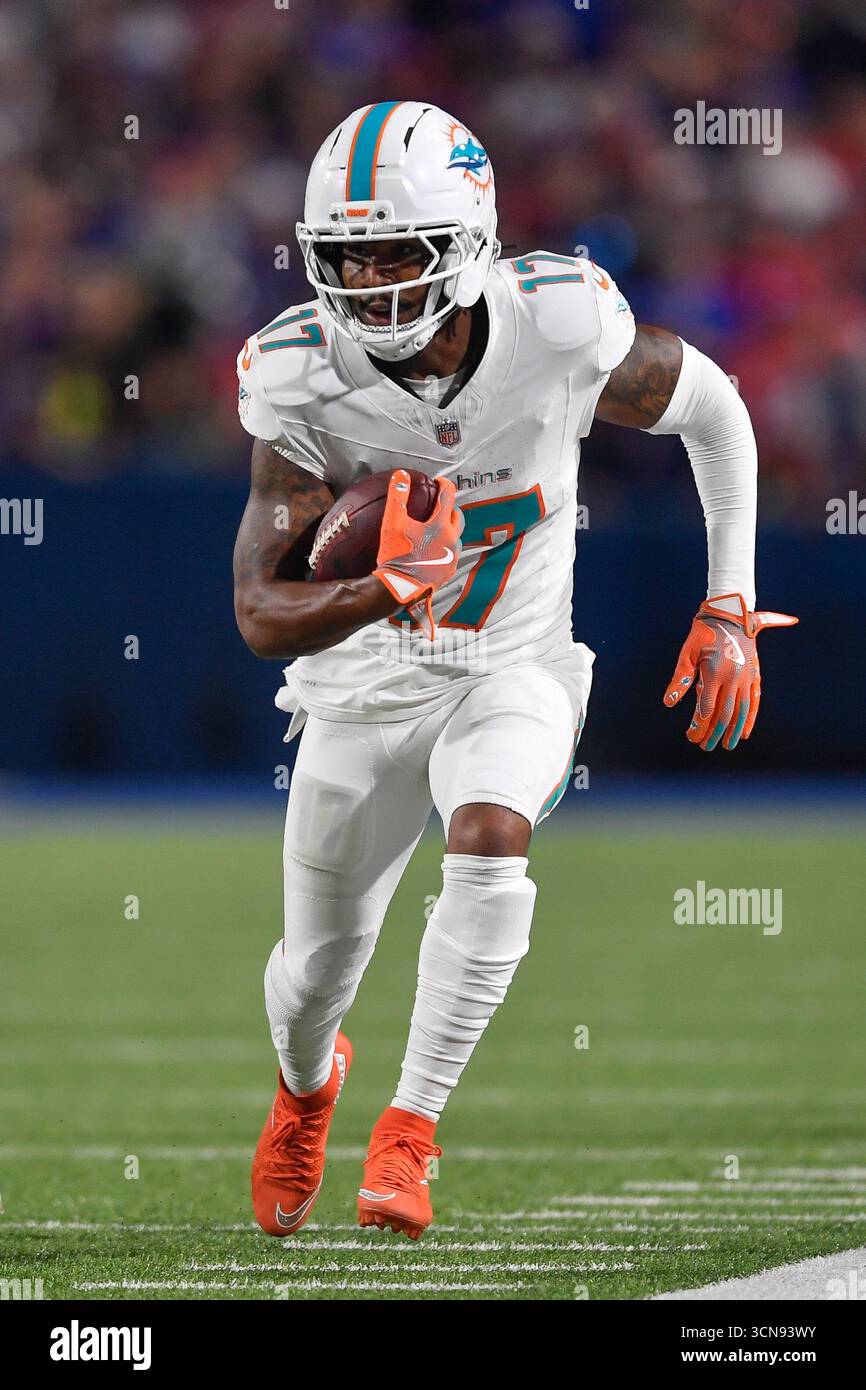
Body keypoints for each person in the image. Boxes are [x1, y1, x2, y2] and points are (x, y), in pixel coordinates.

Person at [233, 101, 796, 1241]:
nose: (373, 282)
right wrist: (377, 589)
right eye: (347, 257)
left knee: (491, 837)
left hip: (511, 666)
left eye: (399, 251)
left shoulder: (559, 325)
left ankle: (409, 1131)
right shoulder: (301, 377)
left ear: (470, 239)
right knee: (312, 978)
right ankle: (306, 1089)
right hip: (359, 692)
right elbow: (259, 612)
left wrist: (726, 602)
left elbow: (714, 409)